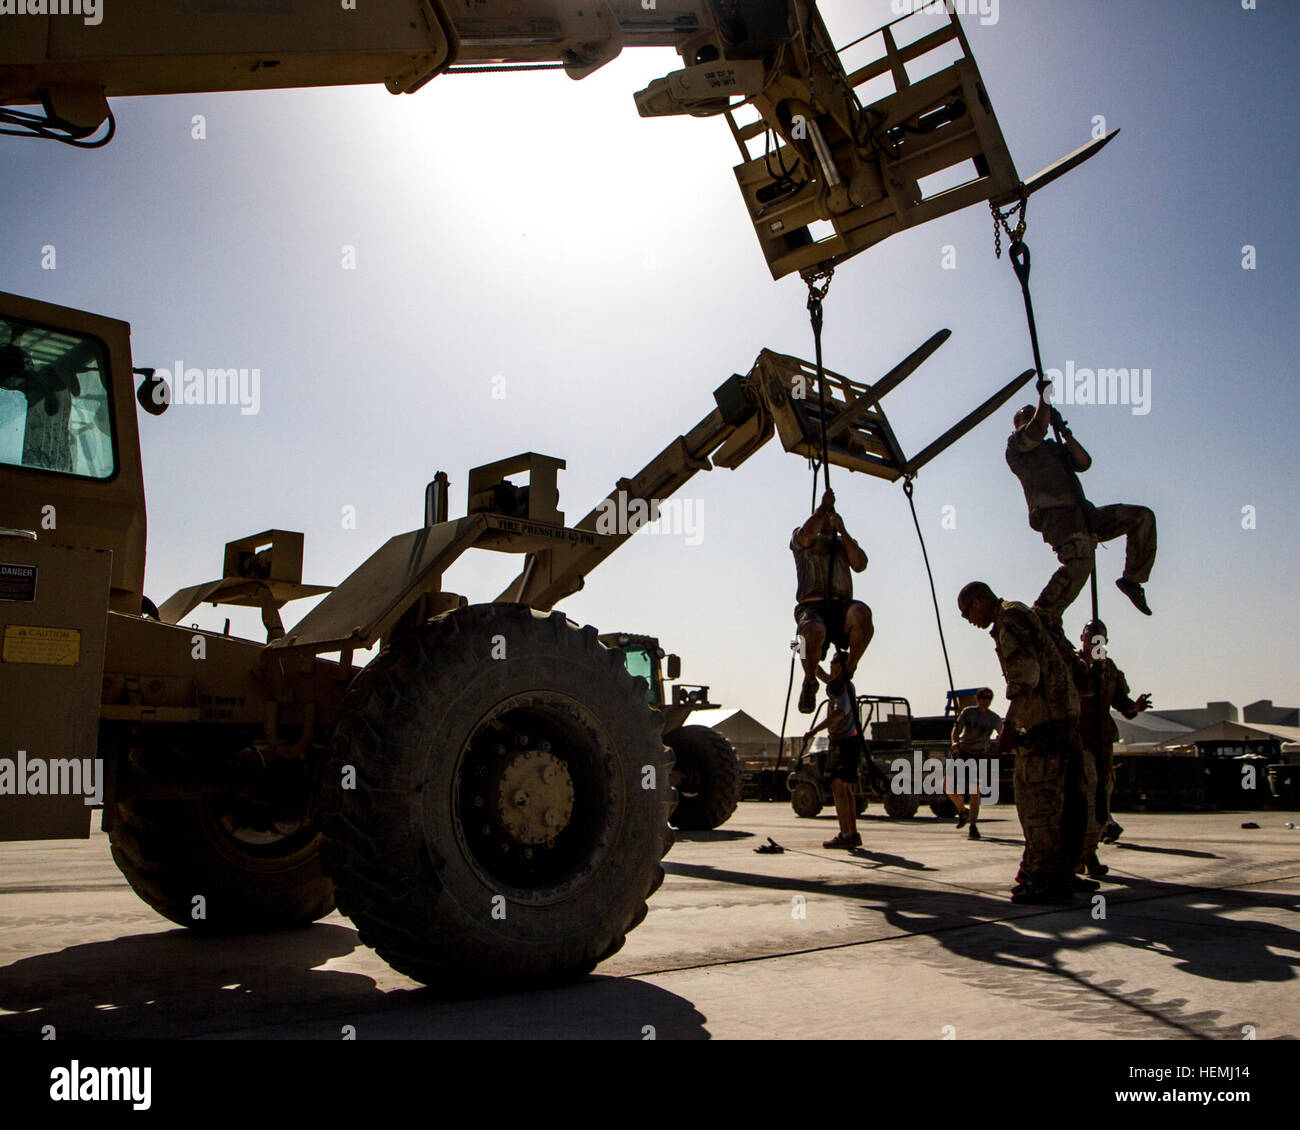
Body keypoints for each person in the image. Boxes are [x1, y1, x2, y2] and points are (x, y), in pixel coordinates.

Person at [957, 581, 1094, 903]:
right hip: (1066, 719)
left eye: (967, 613)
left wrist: (1008, 724)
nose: (969, 621)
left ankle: (1046, 879)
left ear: (979, 601)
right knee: (1069, 803)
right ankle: (1061, 872)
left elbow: (1025, 675)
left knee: (1038, 803)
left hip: (1043, 722)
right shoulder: (1026, 613)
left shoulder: (1009, 620)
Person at [1006, 384, 1156, 625]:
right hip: (1057, 519)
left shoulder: (1053, 449)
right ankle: (1044, 612)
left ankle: (1132, 579)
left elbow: (1084, 462)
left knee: (1142, 517)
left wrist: (1064, 431)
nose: (1034, 418)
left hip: (1083, 513)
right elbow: (1036, 430)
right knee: (1080, 562)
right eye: (1028, 416)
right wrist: (1044, 399)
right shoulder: (1017, 448)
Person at [1077, 619, 1152, 875]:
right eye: (1090, 635)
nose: (1095, 640)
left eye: (1100, 636)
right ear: (1082, 637)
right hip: (1077, 740)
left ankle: (1089, 853)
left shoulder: (1110, 670)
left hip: (1102, 739)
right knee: (1083, 795)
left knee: (1101, 796)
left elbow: (1122, 703)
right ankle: (1079, 855)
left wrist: (1135, 707)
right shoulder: (1071, 665)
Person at [792, 487, 872, 713]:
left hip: (841, 604)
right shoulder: (800, 536)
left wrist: (843, 532)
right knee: (809, 633)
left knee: (862, 614)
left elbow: (860, 564)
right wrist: (823, 508)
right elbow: (807, 536)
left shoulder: (843, 542)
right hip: (811, 605)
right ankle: (809, 681)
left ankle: (848, 669)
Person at [803, 652, 864, 849]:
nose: (831, 664)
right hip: (848, 741)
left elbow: (838, 714)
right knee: (844, 787)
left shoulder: (843, 687)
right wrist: (799, 646)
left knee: (839, 787)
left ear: (844, 666)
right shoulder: (836, 683)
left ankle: (846, 834)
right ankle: (851, 833)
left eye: (836, 662)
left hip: (844, 742)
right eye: (832, 661)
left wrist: (814, 730)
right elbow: (816, 671)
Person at [948, 687, 1002, 840]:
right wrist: (954, 742)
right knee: (947, 784)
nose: (986, 700)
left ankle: (972, 825)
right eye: (983, 697)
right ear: (977, 699)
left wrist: (1001, 740)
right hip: (963, 751)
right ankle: (962, 810)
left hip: (979, 755)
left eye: (989, 698)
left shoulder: (994, 718)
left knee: (974, 791)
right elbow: (956, 730)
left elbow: (1001, 733)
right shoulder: (968, 712)